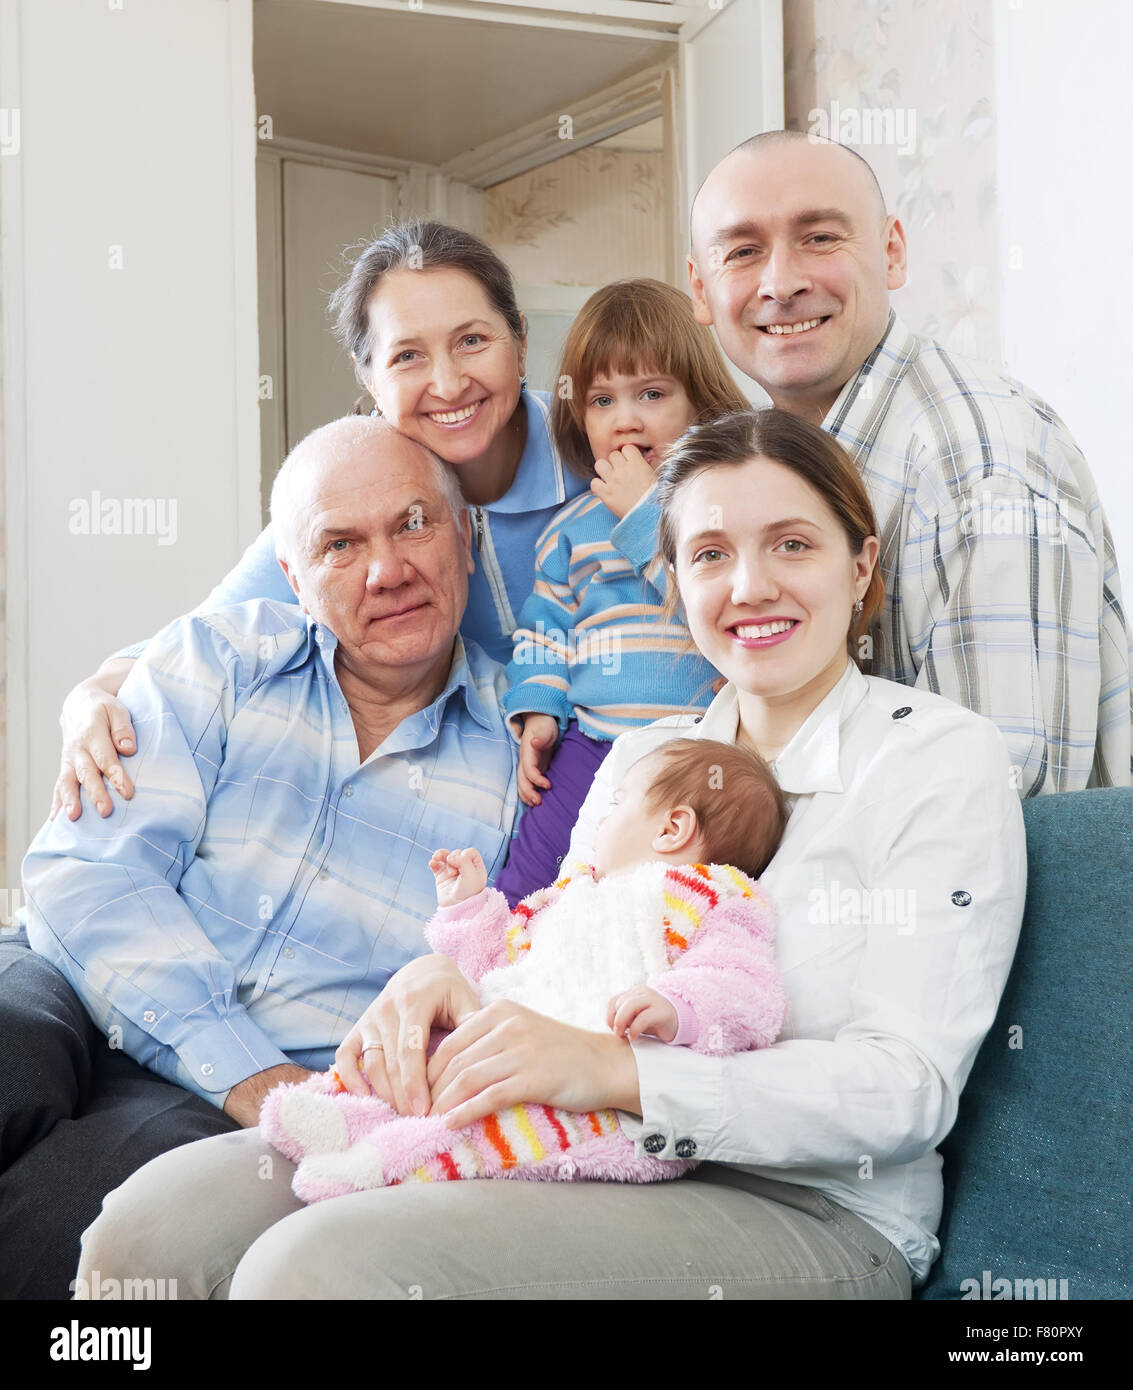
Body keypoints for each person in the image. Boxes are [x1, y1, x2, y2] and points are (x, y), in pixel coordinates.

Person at [76, 408, 1026, 1300]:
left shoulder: (935, 759)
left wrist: (614, 1072)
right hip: (559, 1145)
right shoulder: (647, 755)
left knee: (316, 1270)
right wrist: (443, 979)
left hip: (806, 1205)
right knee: (154, 1229)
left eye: (791, 544)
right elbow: (554, 949)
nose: (748, 588)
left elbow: (905, 1093)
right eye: (707, 554)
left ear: (860, 566)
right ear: (674, 580)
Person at [2, 415, 517, 1298]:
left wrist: (263, 1085)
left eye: (413, 525)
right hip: (75, 986)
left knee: (68, 1214)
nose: (387, 570)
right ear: (295, 577)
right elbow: (92, 874)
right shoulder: (217, 658)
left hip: (259, 1096)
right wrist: (241, 1063)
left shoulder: (523, 759)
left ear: (465, 537)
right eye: (340, 545)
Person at [49, 218, 587, 824]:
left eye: (472, 341)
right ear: (369, 378)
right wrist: (87, 697)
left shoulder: (602, 457)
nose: (447, 382)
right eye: (407, 355)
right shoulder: (346, 499)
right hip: (489, 824)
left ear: (518, 340)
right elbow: (198, 640)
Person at [680, 129, 1131, 793]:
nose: (779, 282)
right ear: (698, 288)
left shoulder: (972, 465)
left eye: (820, 237)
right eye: (742, 252)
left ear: (891, 252)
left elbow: (998, 811)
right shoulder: (781, 462)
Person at [258, 737, 788, 1201]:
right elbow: (495, 971)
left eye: (618, 805)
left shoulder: (711, 895)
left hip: (596, 1105)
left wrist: (679, 1007)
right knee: (426, 1060)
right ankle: (340, 1112)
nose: (602, 819)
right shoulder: (569, 896)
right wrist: (467, 910)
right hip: (502, 1042)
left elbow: (746, 988)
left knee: (484, 1126)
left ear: (673, 828)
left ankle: (381, 1167)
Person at [495, 278, 749, 904]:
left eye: (652, 394)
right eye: (602, 400)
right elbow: (544, 628)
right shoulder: (571, 529)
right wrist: (537, 711)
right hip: (590, 740)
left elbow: (714, 607)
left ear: (700, 404)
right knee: (533, 879)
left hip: (695, 747)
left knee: (670, 893)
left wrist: (644, 513)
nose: (625, 418)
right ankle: (480, 975)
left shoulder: (721, 511)